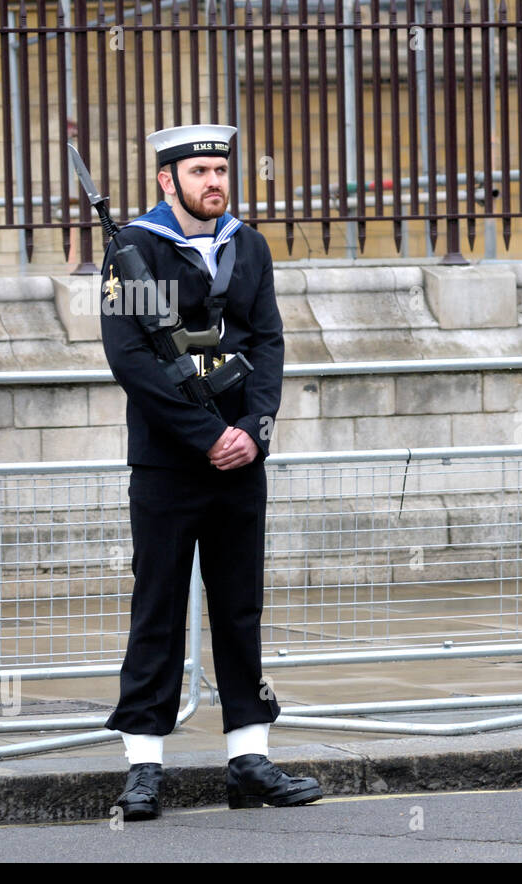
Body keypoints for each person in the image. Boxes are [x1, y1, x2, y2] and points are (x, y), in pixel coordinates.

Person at [101, 123, 322, 819]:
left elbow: (268, 341)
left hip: (239, 463)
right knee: (158, 610)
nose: (215, 182)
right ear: (168, 180)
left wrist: (253, 432)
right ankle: (143, 768)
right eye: (199, 171)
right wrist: (206, 435)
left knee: (239, 608)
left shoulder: (248, 245)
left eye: (221, 170)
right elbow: (130, 358)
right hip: (168, 463)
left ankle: (248, 757)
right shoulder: (133, 249)